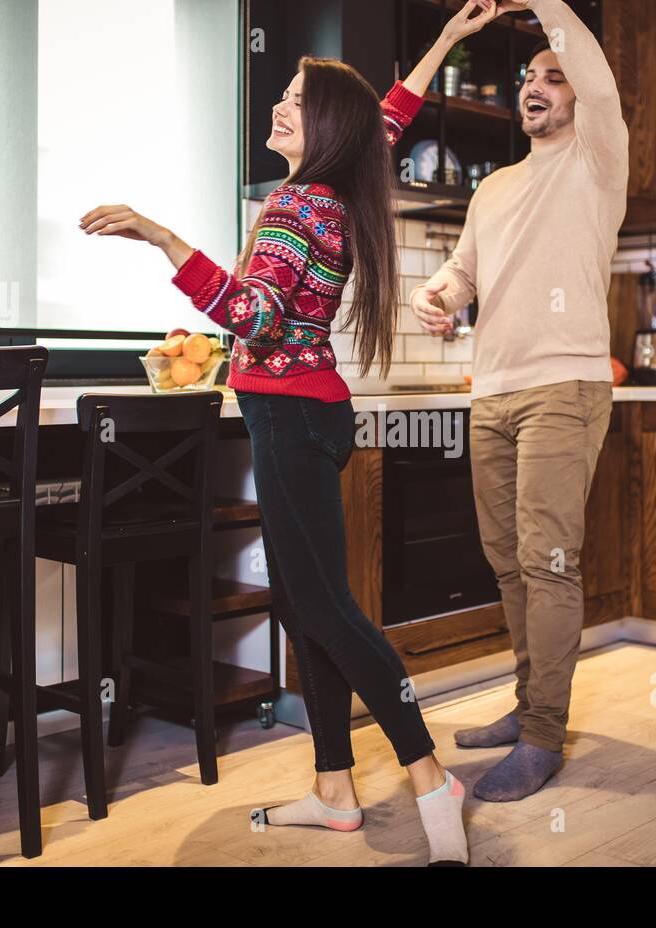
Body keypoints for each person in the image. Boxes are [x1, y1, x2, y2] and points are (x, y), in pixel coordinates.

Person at [79, 0, 505, 867]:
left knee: (322, 606)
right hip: (311, 413)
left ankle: (428, 776)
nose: (277, 107)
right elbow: (387, 116)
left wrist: (162, 237)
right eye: (280, 93)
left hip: (285, 413)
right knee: (307, 607)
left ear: (325, 127)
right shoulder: (340, 187)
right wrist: (448, 42)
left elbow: (252, 316)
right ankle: (335, 789)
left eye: (295, 99)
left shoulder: (297, 206)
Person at [410, 0, 630, 802]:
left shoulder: (598, 159)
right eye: (528, 76)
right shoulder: (494, 187)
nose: (534, 86)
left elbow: (600, 86)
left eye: (552, 75)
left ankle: (543, 736)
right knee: (508, 564)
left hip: (562, 387)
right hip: (492, 390)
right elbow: (463, 274)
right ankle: (528, 703)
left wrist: (544, 8)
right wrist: (436, 295)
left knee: (549, 562)